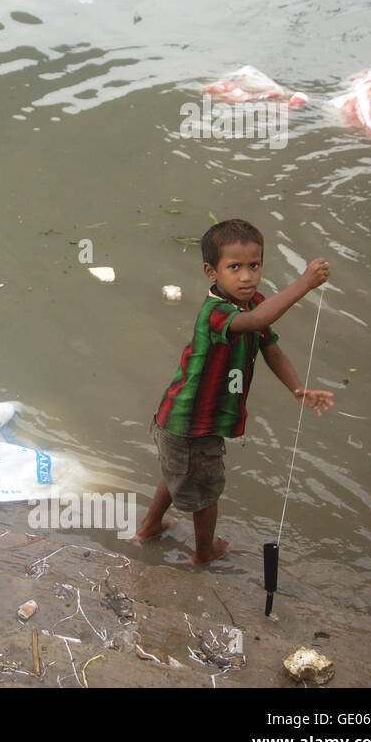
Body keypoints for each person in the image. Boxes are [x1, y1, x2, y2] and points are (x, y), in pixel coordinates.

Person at [135, 218, 334, 565]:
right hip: (190, 424)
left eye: (254, 265)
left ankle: (149, 528)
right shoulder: (215, 313)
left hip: (185, 419)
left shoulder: (254, 301)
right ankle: (203, 553)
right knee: (206, 491)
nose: (246, 276)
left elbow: (269, 346)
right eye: (235, 267)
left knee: (178, 474)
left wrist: (297, 388)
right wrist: (304, 283)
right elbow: (255, 324)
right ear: (211, 272)